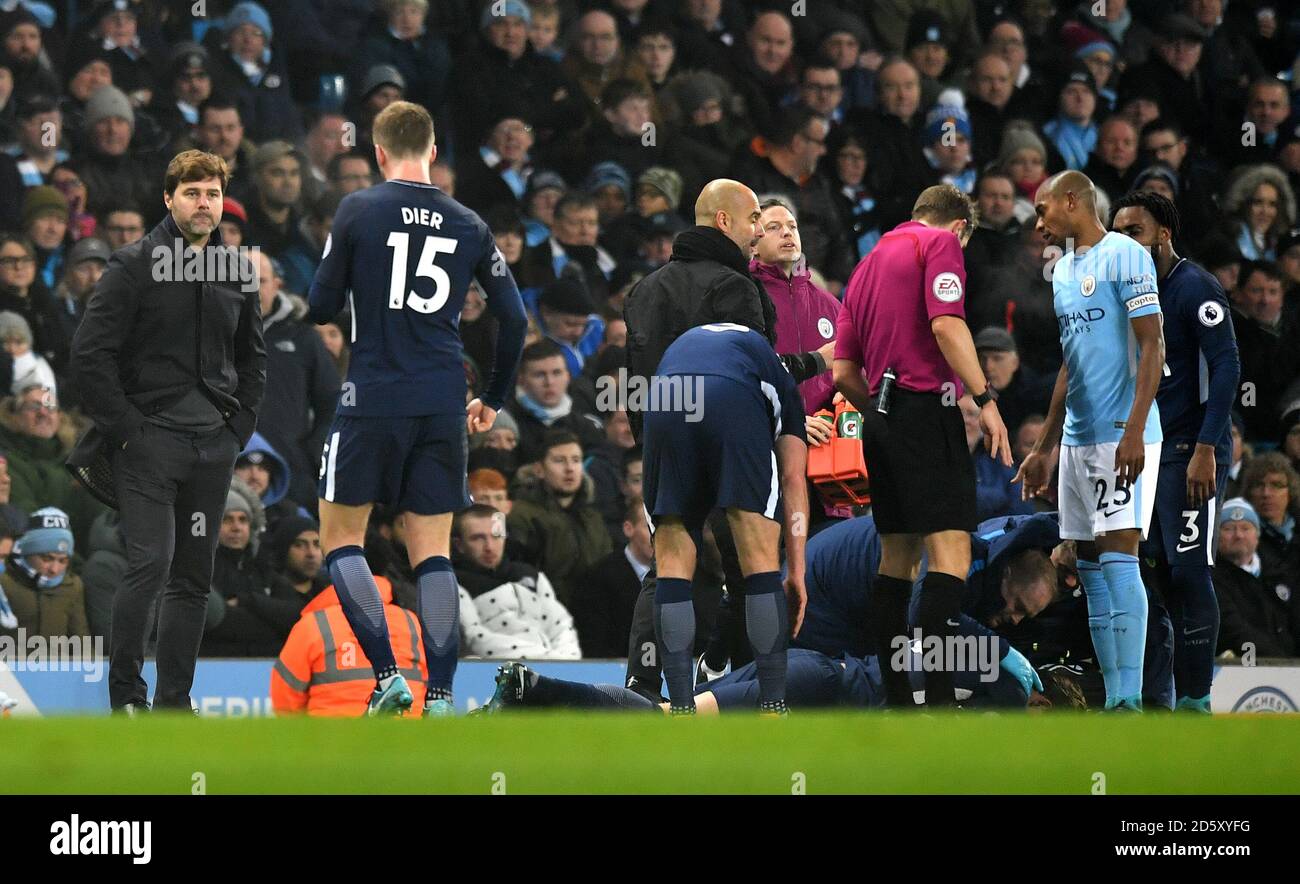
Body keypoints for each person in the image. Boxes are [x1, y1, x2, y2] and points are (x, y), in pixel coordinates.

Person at [305, 100, 527, 717]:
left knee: (342, 539)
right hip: (441, 401)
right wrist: (494, 398)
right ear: (433, 152)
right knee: (433, 553)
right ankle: (443, 693)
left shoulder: (357, 209)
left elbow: (322, 306)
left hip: (371, 396)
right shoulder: (469, 222)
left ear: (378, 153)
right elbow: (513, 317)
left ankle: (385, 677)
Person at [68, 149, 265, 714]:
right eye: (192, 193)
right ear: (168, 198)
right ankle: (126, 697)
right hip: (149, 444)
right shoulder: (132, 264)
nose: (204, 204)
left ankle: (175, 703)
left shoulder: (236, 270)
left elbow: (253, 359)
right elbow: (89, 354)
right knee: (150, 563)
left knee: (193, 579)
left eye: (212, 194)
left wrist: (240, 427)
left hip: (213, 445)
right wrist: (129, 430)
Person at [833, 183, 1012, 708]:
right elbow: (946, 324)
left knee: (896, 561)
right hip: (924, 411)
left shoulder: (864, 268)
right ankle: (936, 704)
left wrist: (884, 417)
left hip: (880, 420)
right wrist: (985, 398)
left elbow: (844, 373)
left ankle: (897, 702)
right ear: (958, 227)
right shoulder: (940, 246)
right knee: (951, 555)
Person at [1015, 170, 1165, 712]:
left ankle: (1130, 699)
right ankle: (1114, 700)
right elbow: (1069, 364)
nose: (1038, 223)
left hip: (1120, 435)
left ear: (1072, 201)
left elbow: (1153, 347)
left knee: (1121, 554)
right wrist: (1047, 445)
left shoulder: (1126, 255)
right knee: (1091, 564)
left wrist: (1133, 427)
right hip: (1078, 441)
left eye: (1043, 209)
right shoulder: (1063, 273)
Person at [1110, 190, 1240, 713]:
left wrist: (1207, 447)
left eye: (1134, 231)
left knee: (1188, 569)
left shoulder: (1195, 288)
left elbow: (1227, 365)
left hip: (1192, 449)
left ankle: (1197, 698)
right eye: (1117, 233)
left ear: (1164, 234)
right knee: (1158, 572)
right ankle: (1162, 696)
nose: (1125, 242)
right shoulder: (1129, 292)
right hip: (1152, 450)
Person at [641, 322, 809, 715]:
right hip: (729, 396)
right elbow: (792, 478)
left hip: (665, 395)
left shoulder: (693, 342)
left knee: (672, 562)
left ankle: (681, 706)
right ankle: (773, 705)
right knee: (758, 562)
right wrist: (796, 570)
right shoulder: (779, 379)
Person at [271, 574, 427, 716]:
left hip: (332, 739)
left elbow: (285, 699)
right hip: (406, 737)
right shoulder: (411, 622)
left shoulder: (313, 624)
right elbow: (430, 687)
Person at [1212, 497, 1297, 658]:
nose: (1238, 535)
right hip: (1244, 670)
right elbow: (1234, 629)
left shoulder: (1281, 572)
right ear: (1216, 536)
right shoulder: (1210, 579)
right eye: (1229, 528)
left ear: (1257, 534)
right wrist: (1280, 662)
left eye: (1246, 528)